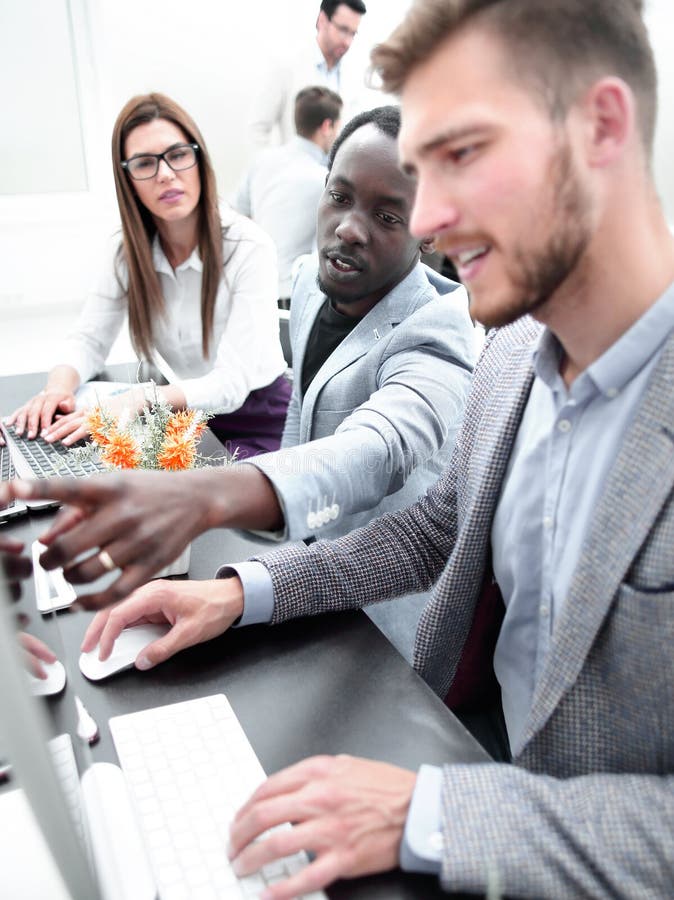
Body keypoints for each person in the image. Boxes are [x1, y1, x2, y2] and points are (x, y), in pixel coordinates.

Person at [13, 0, 674, 895]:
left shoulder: (456, 334)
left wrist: (437, 813)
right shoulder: (519, 346)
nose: (431, 220)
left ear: (600, 125)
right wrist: (240, 592)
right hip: (481, 763)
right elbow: (433, 531)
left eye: (462, 156)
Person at [2, 105, 475, 605]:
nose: (349, 229)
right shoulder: (312, 282)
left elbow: (378, 450)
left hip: (377, 605)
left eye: (386, 216)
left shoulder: (439, 332)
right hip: (297, 565)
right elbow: (299, 424)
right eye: (339, 197)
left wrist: (206, 494)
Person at [6, 93, 289, 460]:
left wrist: (138, 399)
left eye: (178, 155)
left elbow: (232, 384)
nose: (166, 174)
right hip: (185, 419)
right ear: (128, 180)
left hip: (259, 421)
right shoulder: (126, 253)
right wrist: (56, 390)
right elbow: (89, 338)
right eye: (144, 163)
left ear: (198, 158)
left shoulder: (249, 246)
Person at [235, 86, 343, 303]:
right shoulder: (325, 181)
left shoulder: (262, 162)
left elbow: (237, 215)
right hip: (293, 296)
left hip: (253, 289)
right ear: (327, 126)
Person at [248, 1, 367, 149]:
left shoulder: (353, 77)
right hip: (290, 169)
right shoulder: (288, 66)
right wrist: (274, 170)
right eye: (343, 30)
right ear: (322, 20)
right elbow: (257, 129)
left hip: (335, 171)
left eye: (353, 33)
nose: (348, 42)